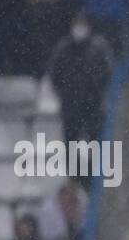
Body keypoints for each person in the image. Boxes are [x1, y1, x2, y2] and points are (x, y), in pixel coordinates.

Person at [47, 12, 114, 150]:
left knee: (95, 144)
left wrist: (97, 93)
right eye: (77, 24)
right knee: (71, 144)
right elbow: (55, 74)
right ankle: (73, 172)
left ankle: (93, 171)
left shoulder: (99, 47)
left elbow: (107, 73)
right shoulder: (63, 48)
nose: (79, 28)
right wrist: (64, 94)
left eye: (82, 24)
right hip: (70, 106)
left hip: (93, 105)